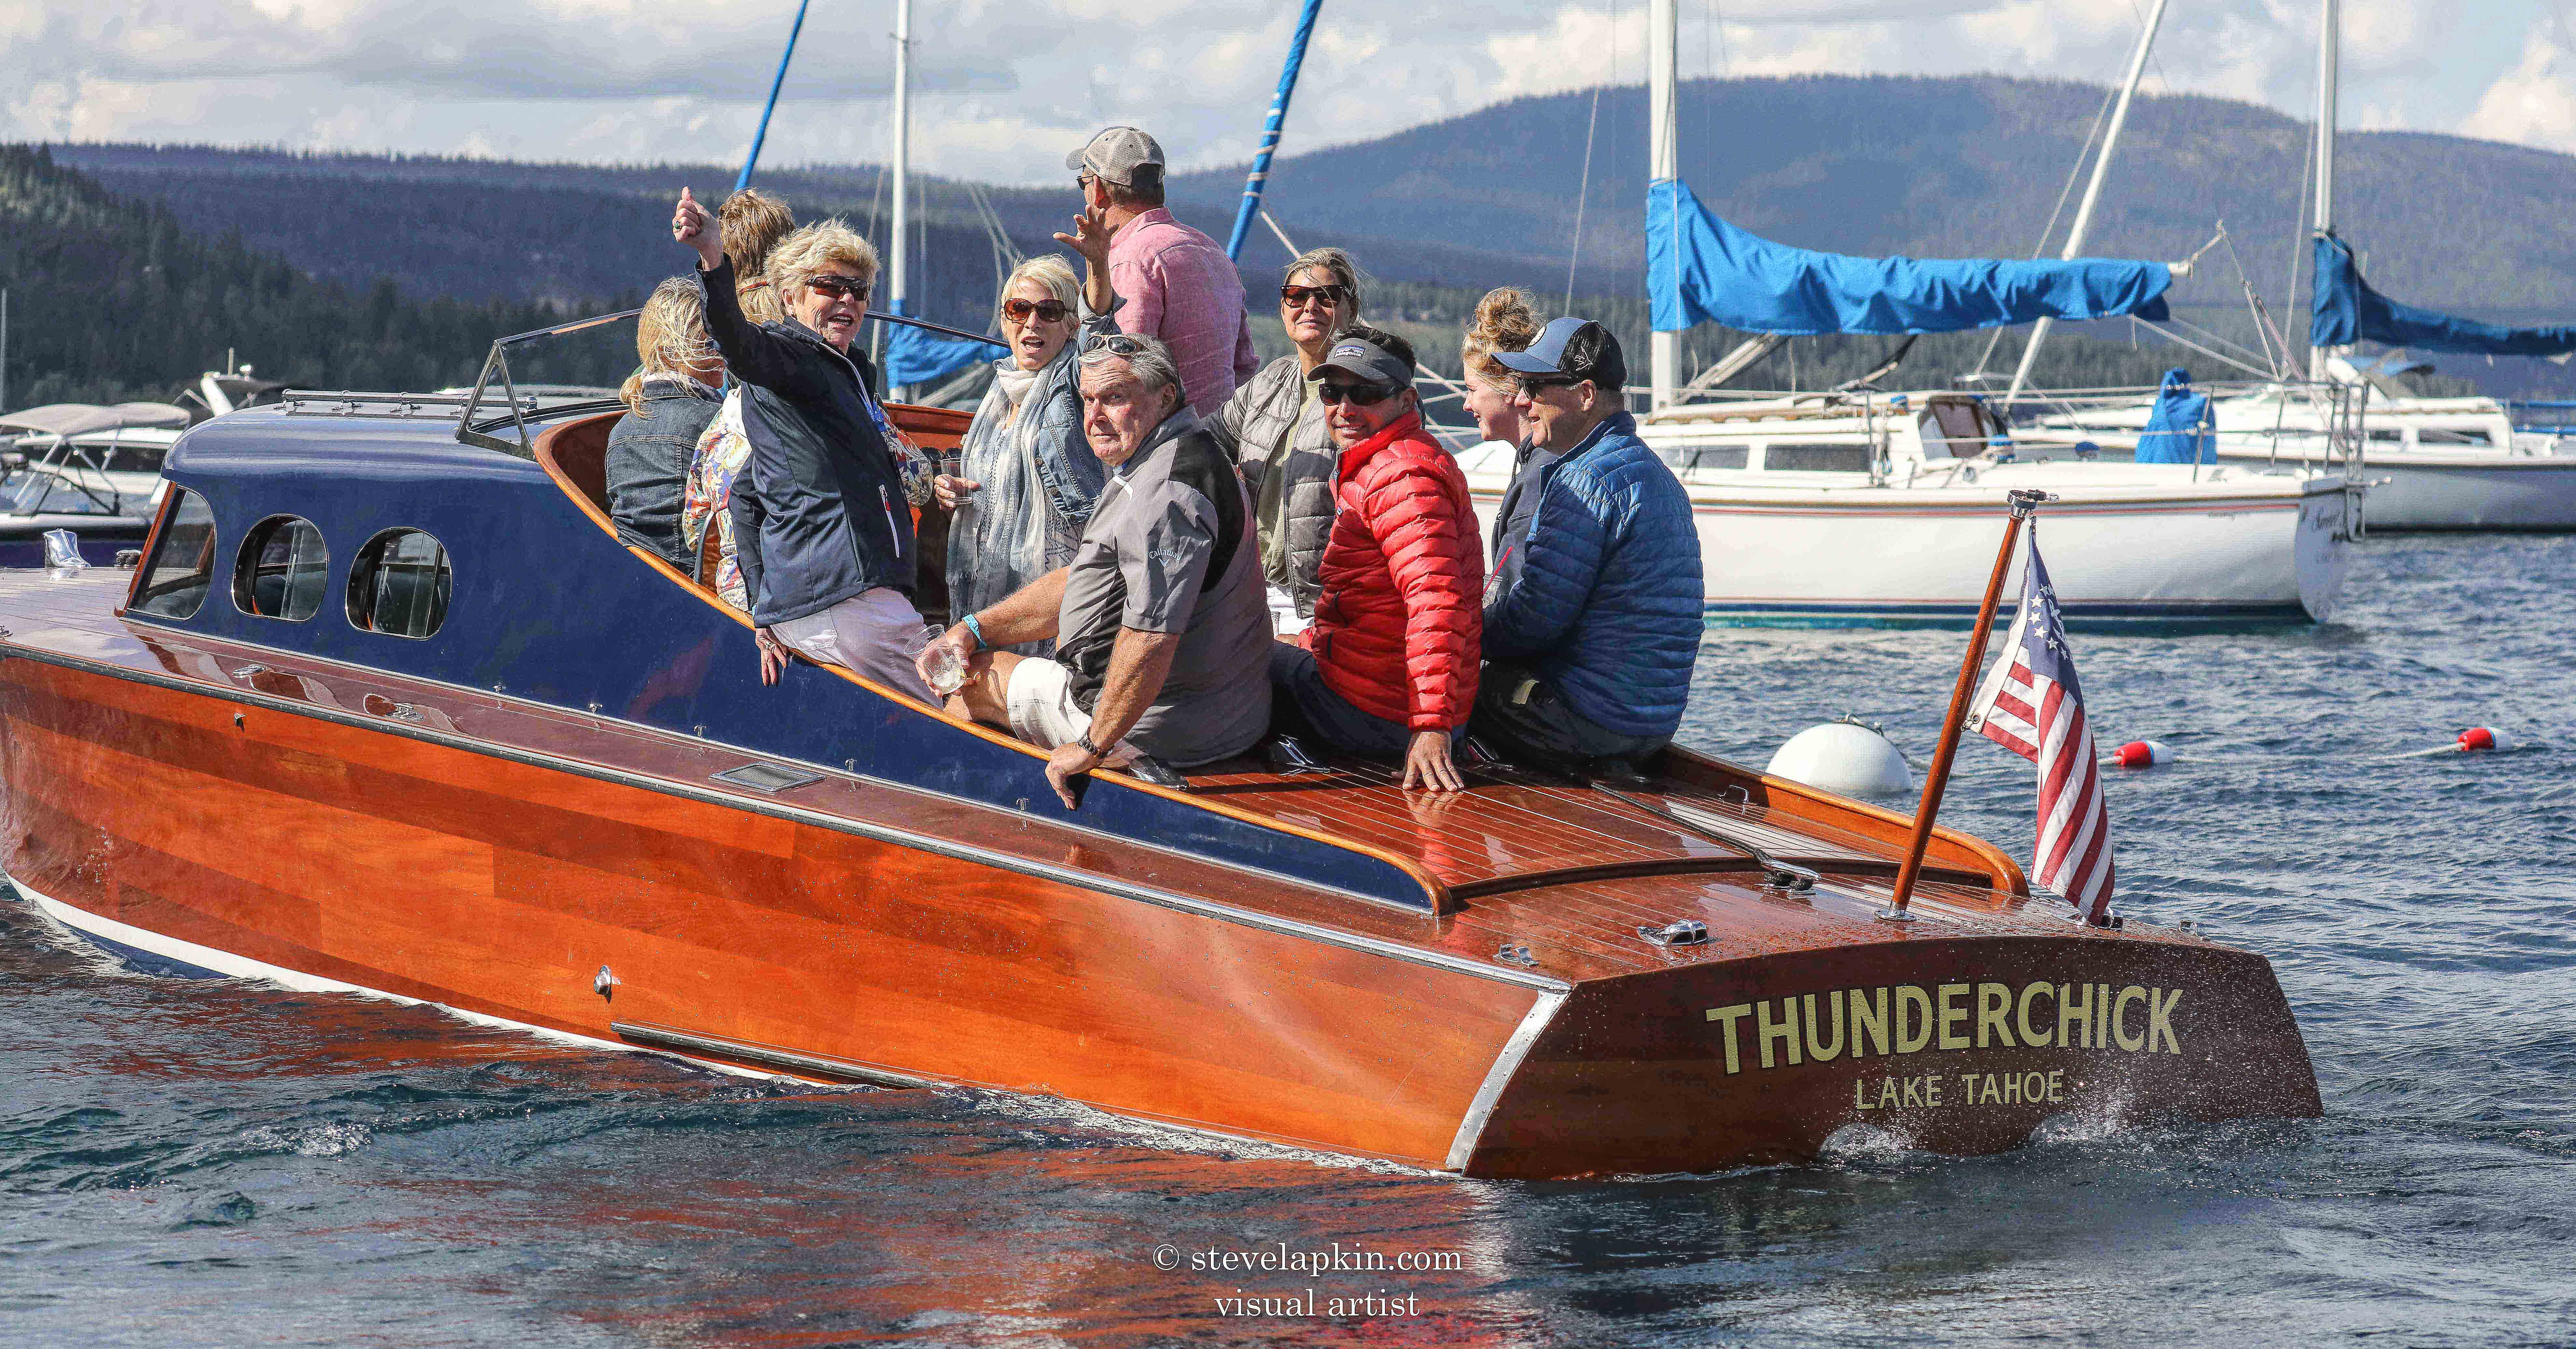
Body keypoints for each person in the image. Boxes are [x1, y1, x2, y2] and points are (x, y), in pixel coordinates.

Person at [916, 334, 1271, 807]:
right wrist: (974, 628)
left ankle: (973, 827)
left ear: (1166, 395)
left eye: (1115, 398)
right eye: (1086, 399)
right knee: (980, 655)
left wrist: (1090, 746)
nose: (1094, 417)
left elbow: (1150, 638)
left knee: (968, 686)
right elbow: (1082, 578)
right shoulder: (1170, 453)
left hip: (1162, 729)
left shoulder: (1166, 493)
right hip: (1213, 710)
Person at [671, 187, 937, 703]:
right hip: (850, 600)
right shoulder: (794, 358)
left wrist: (765, 609)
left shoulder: (847, 374)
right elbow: (739, 344)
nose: (847, 300)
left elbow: (746, 494)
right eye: (830, 287)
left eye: (858, 291)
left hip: (837, 602)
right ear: (790, 298)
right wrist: (712, 255)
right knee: (962, 704)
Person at [1478, 317, 1702, 773]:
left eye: (1536, 386)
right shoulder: (1654, 473)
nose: (1521, 400)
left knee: (1438, 687)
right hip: (1653, 724)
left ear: (1584, 394)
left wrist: (1452, 630)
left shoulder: (1583, 478)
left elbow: (1532, 622)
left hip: (1587, 722)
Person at [1266, 326, 1481, 792]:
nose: (1344, 408)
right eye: (1331, 391)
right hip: (1379, 690)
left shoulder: (1401, 478)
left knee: (1237, 657)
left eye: (1364, 392)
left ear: (1406, 402)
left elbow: (1436, 602)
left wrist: (1430, 725)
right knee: (1274, 642)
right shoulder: (1387, 461)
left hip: (1383, 713)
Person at [934, 206, 1121, 656]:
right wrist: (949, 494)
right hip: (991, 589)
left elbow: (1100, 328)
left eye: (1049, 311)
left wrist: (1097, 264)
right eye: (1020, 309)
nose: (1032, 322)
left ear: (1070, 325)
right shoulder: (994, 397)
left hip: (1058, 599)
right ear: (1004, 319)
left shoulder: (1075, 383)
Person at [1219, 246, 1363, 634]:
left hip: (1326, 603)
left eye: (1327, 297)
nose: (1310, 307)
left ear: (1351, 309)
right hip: (1250, 593)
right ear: (1284, 309)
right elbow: (1206, 440)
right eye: (1297, 296)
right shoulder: (1270, 382)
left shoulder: (1369, 393)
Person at [1067, 126, 1257, 416]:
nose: (1086, 195)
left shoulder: (1130, 260)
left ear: (1100, 191)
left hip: (1162, 449)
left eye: (1084, 184)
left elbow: (1122, 376)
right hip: (1222, 446)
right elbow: (1244, 368)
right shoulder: (1214, 252)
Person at [605, 277, 725, 569]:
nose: (723, 351)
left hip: (637, 584)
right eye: (711, 342)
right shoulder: (717, 423)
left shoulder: (620, 432)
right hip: (704, 597)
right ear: (673, 353)